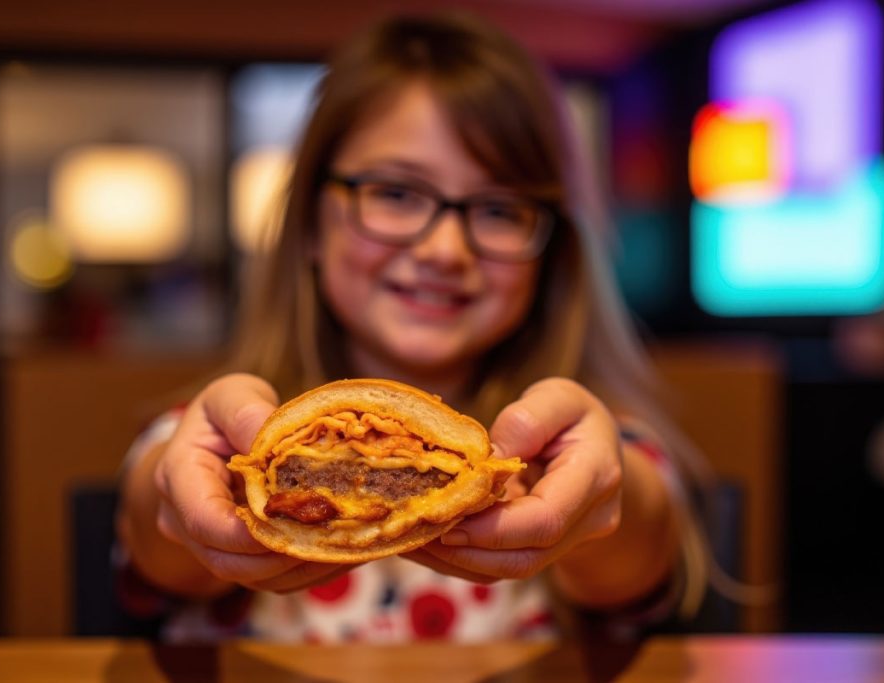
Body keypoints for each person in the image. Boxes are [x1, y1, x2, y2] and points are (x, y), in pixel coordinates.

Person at [116, 11, 713, 643]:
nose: (446, 251)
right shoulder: (210, 434)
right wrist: (188, 508)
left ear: (553, 253)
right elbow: (157, 538)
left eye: (499, 208)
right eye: (397, 193)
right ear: (311, 223)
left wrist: (599, 504)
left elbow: (639, 552)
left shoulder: (589, 445)